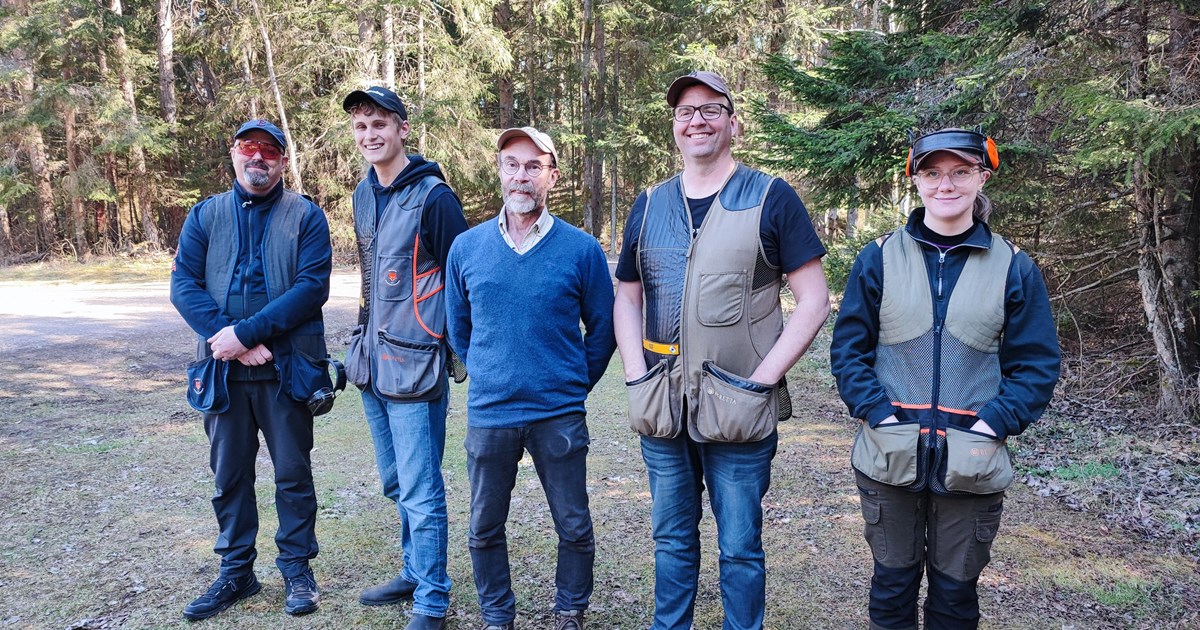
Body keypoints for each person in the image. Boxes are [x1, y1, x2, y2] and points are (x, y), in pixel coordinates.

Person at [612, 71, 830, 630]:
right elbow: (628, 297)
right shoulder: (649, 203)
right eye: (686, 112)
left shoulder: (770, 197)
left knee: (739, 546)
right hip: (663, 406)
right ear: (674, 127)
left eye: (711, 109)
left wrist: (760, 383)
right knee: (672, 542)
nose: (697, 121)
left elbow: (813, 301)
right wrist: (636, 377)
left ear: (733, 122)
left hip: (738, 409)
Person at [830, 128, 1060, 629]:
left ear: (983, 176)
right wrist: (878, 413)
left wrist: (993, 424)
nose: (946, 184)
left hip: (972, 457)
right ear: (915, 180)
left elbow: (1036, 366)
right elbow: (849, 351)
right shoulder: (879, 258)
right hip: (889, 453)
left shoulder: (1015, 267)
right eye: (932, 172)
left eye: (960, 171)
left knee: (955, 597)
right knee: (891, 588)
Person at [445, 126, 616, 630]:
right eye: (512, 164)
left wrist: (569, 384)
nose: (522, 176)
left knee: (574, 524)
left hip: (557, 414)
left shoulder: (581, 250)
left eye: (534, 166)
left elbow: (603, 329)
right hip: (491, 413)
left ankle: (570, 611)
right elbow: (459, 329)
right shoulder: (467, 248)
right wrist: (490, 375)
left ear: (552, 177)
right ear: (500, 171)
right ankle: (498, 615)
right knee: (482, 526)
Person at [170, 118, 332, 620]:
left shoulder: (306, 216)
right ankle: (236, 572)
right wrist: (234, 342)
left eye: (269, 149)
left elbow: (311, 289)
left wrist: (248, 333)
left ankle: (298, 571)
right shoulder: (204, 216)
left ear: (283, 161)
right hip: (223, 373)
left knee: (292, 475)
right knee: (229, 478)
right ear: (234, 155)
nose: (257, 157)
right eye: (248, 147)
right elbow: (183, 287)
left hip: (287, 372)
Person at [341, 86, 469, 630]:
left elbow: (463, 278)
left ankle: (433, 599)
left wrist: (457, 349)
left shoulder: (435, 197)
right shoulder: (362, 195)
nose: (370, 135)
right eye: (361, 126)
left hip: (417, 365)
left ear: (402, 128)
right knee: (396, 482)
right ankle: (415, 570)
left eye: (379, 124)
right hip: (371, 363)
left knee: (421, 486)